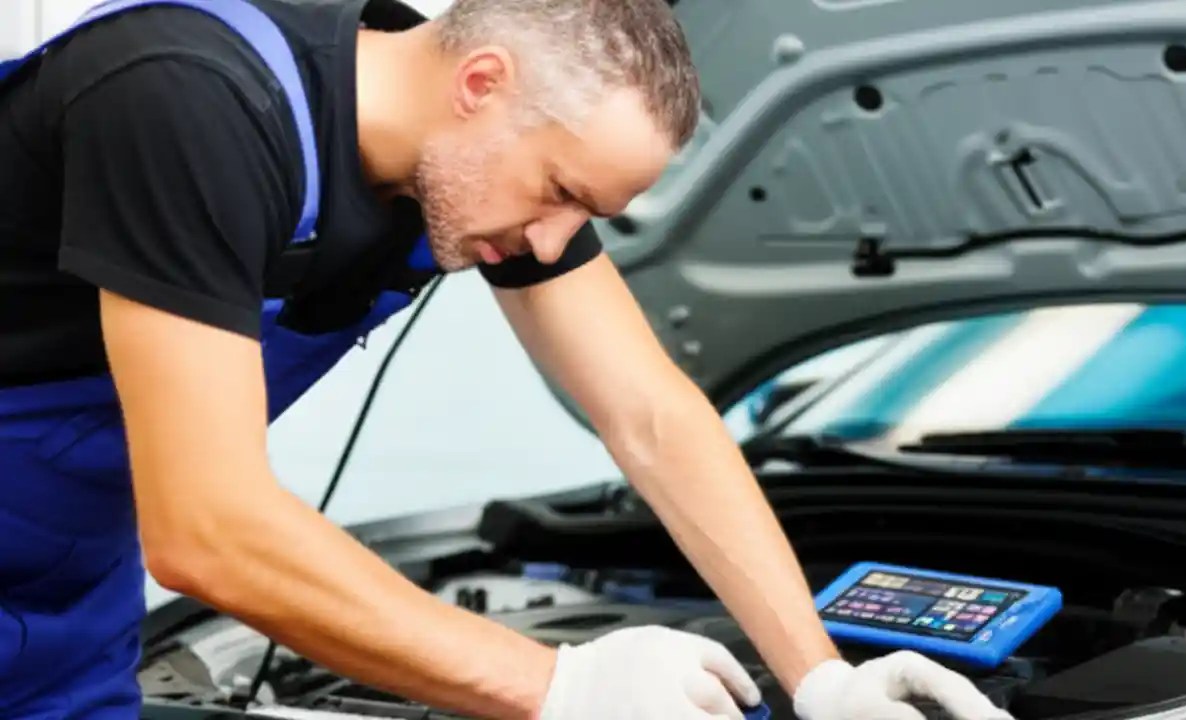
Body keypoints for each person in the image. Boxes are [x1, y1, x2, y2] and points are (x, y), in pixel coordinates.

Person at [0, 0, 1014, 718]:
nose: (551, 242)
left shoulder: (465, 171)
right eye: (559, 190)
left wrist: (818, 679)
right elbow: (208, 528)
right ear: (482, 84)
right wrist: (558, 688)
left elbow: (650, 414)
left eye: (587, 214)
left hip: (67, 605)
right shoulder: (189, 99)